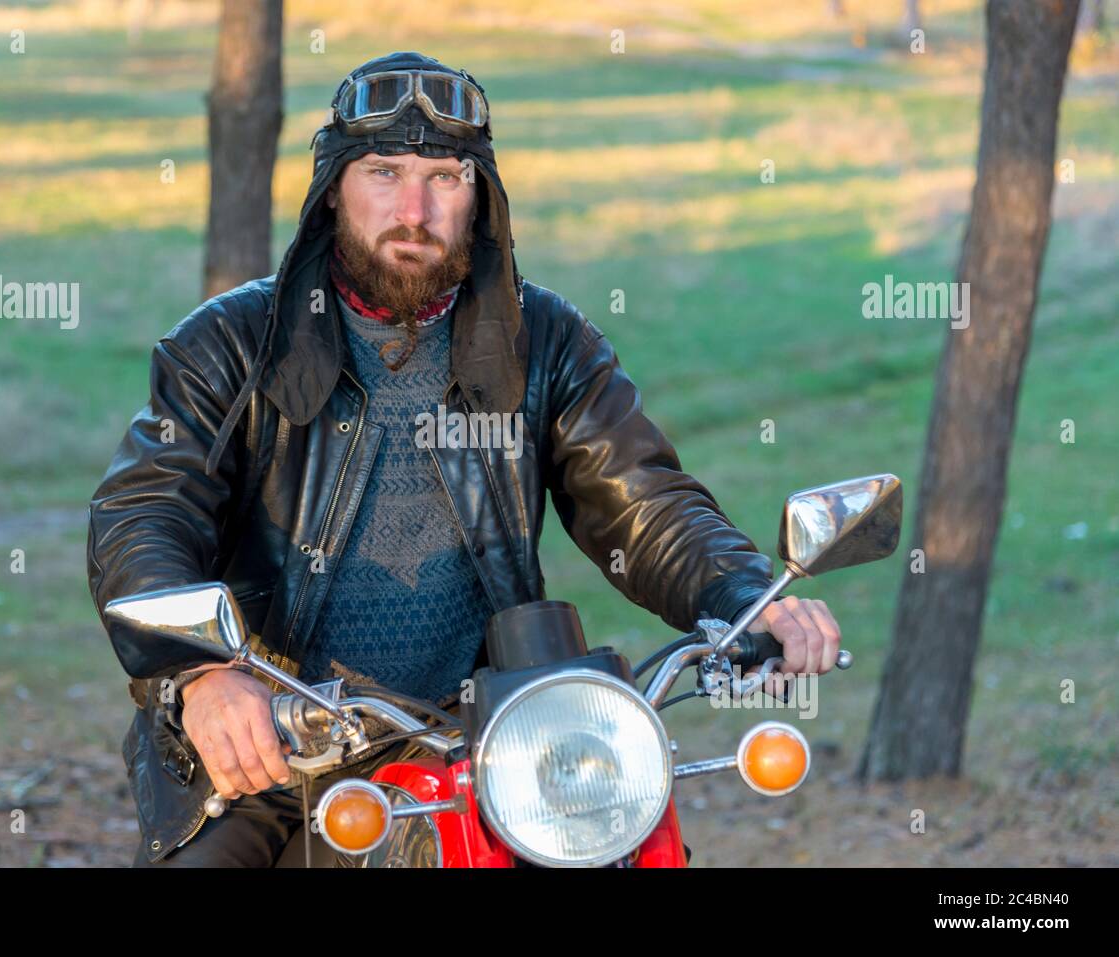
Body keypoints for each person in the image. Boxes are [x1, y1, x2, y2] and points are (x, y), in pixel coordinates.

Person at [87, 51, 843, 868]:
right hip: (271, 737)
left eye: (444, 178)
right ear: (333, 187)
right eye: (383, 172)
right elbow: (144, 513)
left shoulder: (545, 342)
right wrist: (203, 674)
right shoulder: (230, 344)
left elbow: (643, 503)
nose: (412, 210)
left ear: (479, 196)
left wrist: (745, 595)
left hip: (484, 742)